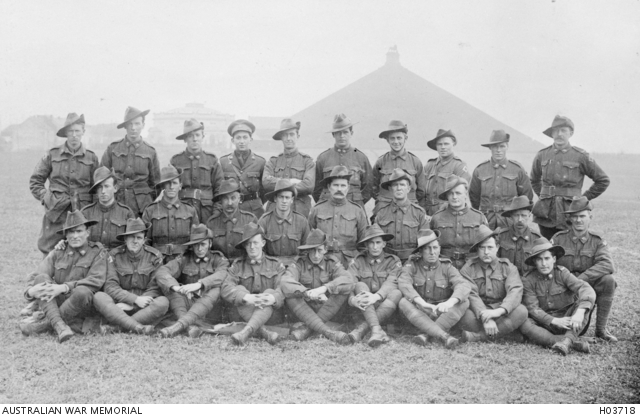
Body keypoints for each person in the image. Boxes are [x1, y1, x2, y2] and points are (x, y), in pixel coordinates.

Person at [20, 211, 107, 343]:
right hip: (59, 301)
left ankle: (46, 325)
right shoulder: (58, 251)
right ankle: (60, 326)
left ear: (87, 232)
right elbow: (37, 275)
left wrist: (64, 287)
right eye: (71, 232)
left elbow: (96, 280)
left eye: (79, 231)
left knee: (83, 291)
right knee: (41, 278)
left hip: (82, 303)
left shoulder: (98, 252)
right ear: (66, 235)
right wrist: (30, 291)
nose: (75, 236)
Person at [30, 113, 99, 255]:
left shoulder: (91, 157)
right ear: (66, 133)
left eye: (77, 131)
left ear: (83, 132)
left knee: (81, 251)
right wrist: (47, 198)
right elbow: (35, 181)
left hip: (82, 213)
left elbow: (96, 187)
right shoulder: (52, 155)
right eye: (70, 131)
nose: (74, 135)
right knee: (50, 251)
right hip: (56, 212)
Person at [530, 115, 610, 239]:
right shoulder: (542, 155)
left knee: (571, 248)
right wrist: (543, 196)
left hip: (570, 212)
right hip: (546, 213)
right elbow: (534, 180)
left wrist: (583, 199)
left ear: (570, 133)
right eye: (556, 131)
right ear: (552, 134)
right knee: (547, 249)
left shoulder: (580, 156)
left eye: (563, 130)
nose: (559, 134)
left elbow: (603, 180)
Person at [550, 196, 617, 342]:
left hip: (587, 287)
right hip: (564, 288)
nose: (579, 220)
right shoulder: (558, 239)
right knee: (575, 329)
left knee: (608, 281)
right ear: (570, 219)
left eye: (582, 216)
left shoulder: (597, 240)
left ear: (590, 217)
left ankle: (601, 329)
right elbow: (548, 265)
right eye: (575, 217)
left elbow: (607, 265)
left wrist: (580, 280)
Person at [520, 238, 595, 355]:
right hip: (545, 324)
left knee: (585, 303)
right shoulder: (528, 279)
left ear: (554, 259)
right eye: (539, 259)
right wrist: (554, 320)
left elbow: (585, 288)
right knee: (524, 323)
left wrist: (579, 312)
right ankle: (570, 342)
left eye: (547, 258)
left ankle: (567, 339)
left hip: (570, 322)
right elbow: (533, 308)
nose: (544, 264)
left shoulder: (562, 273)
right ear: (535, 262)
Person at [93, 218, 168, 335]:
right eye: (131, 237)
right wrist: (133, 300)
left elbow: (155, 287)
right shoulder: (114, 255)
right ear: (125, 239)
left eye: (139, 238)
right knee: (99, 296)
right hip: (119, 305)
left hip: (144, 307)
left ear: (144, 240)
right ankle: (138, 327)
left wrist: (134, 305)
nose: (135, 241)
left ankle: (117, 327)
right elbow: (110, 286)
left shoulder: (155, 256)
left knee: (163, 302)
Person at [280, 229, 354, 344]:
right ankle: (328, 332)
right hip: (305, 310)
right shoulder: (299, 263)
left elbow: (349, 280)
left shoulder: (332, 263)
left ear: (325, 249)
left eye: (319, 250)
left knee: (343, 289)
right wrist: (306, 292)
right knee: (291, 294)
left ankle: (307, 329)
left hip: (327, 308)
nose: (316, 255)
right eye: (312, 250)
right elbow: (285, 281)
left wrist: (324, 289)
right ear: (308, 250)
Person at [398, 229, 469, 349]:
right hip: (420, 311)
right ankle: (444, 336)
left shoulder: (447, 266)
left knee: (465, 301)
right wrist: (423, 303)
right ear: (420, 251)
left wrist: (449, 303)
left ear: (440, 249)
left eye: (435, 248)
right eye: (427, 248)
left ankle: (426, 334)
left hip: (441, 312)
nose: (432, 252)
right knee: (403, 302)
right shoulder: (412, 265)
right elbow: (404, 283)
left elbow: (463, 285)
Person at [155, 224, 229, 338]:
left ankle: (179, 325)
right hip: (188, 303)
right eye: (196, 245)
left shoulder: (218, 259)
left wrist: (200, 284)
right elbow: (162, 271)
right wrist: (175, 287)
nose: (199, 249)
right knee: (171, 289)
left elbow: (222, 274)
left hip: (209, 308)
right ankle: (188, 326)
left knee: (216, 289)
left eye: (203, 244)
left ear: (210, 243)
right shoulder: (184, 258)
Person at [458, 225, 529, 342]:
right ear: (477, 249)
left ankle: (477, 337)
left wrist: (498, 311)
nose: (486, 252)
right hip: (477, 313)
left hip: (500, 312)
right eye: (482, 248)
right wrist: (485, 317)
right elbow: (471, 294)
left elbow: (515, 291)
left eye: (490, 247)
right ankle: (503, 334)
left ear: (497, 248)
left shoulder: (508, 267)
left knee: (521, 311)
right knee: (463, 313)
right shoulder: (468, 268)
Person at [220, 223, 286, 346]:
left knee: (270, 293)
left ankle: (247, 330)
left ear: (263, 243)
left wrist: (273, 298)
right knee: (239, 290)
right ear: (244, 246)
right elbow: (225, 288)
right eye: (248, 243)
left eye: (255, 242)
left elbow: (283, 288)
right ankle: (264, 332)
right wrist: (246, 298)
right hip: (243, 313)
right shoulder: (237, 265)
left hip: (270, 316)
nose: (252, 247)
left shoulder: (276, 265)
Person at [346, 224, 403, 347]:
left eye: (378, 242)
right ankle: (377, 330)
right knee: (360, 285)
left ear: (384, 244)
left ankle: (362, 330)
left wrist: (376, 296)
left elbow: (391, 282)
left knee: (396, 293)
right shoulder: (358, 261)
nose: (375, 246)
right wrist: (352, 300)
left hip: (385, 307)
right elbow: (349, 282)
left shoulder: (393, 261)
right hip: (363, 308)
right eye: (371, 243)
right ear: (366, 245)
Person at [101, 106, 161, 217]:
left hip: (141, 208)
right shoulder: (113, 148)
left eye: (137, 124)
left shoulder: (150, 152)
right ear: (125, 126)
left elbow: (156, 185)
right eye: (130, 124)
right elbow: (102, 178)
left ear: (143, 125)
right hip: (116, 204)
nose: (133, 128)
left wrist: (146, 202)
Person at [468, 130, 533, 229]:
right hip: (486, 220)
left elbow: (526, 196)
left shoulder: (517, 169)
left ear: (507, 147)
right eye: (495, 146)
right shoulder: (480, 170)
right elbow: (474, 197)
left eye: (502, 146)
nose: (498, 150)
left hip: (509, 220)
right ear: (490, 148)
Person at [308, 165, 368, 268]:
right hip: (323, 260)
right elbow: (308, 239)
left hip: (349, 262)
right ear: (328, 187)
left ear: (348, 188)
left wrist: (359, 263)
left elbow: (364, 243)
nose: (339, 189)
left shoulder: (357, 210)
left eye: (343, 186)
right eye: (335, 185)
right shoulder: (317, 210)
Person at [313, 114, 372, 208]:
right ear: (333, 134)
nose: (342, 136)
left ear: (351, 133)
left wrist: (356, 204)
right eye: (338, 133)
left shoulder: (361, 157)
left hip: (354, 209)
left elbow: (369, 188)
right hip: (328, 209)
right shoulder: (323, 158)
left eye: (345, 132)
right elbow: (316, 189)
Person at [430, 175, 488, 270]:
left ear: (465, 194)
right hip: (444, 266)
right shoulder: (437, 218)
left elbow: (487, 245)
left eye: (458, 193)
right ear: (447, 196)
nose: (454, 197)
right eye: (451, 193)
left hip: (472, 266)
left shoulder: (479, 217)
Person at [170, 119, 223, 223]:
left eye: (197, 135)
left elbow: (219, 189)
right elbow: (169, 189)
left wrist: (216, 213)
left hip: (207, 211)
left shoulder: (212, 160)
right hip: (182, 211)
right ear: (185, 139)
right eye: (190, 136)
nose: (194, 139)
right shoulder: (176, 161)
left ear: (203, 136)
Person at [142, 165, 199, 262]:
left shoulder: (190, 211)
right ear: (162, 186)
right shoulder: (150, 210)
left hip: (184, 261)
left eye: (174, 183)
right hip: (157, 261)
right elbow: (145, 242)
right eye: (167, 183)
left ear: (180, 186)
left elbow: (196, 240)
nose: (171, 187)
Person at [371, 120, 426, 217]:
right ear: (388, 140)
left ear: (405, 138)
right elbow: (373, 187)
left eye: (399, 138)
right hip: (385, 211)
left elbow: (421, 191)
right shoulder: (381, 162)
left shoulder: (415, 162)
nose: (396, 142)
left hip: (409, 211)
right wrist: (384, 200)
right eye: (392, 138)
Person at [373, 168, 429, 263]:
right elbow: (375, 241)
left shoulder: (419, 213)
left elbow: (426, 243)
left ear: (408, 188)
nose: (399, 188)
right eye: (395, 185)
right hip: (387, 262)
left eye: (402, 185)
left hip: (412, 261)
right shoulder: (381, 213)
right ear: (390, 189)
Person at [262, 118, 315, 217]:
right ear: (281, 138)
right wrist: (293, 181)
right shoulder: (273, 161)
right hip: (275, 211)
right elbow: (266, 182)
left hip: (300, 210)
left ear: (297, 136)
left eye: (291, 134)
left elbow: (308, 185)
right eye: (285, 135)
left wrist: (279, 184)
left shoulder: (307, 161)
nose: (288, 138)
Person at [219, 119, 266, 218]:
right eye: (238, 138)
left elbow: (264, 190)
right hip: (232, 209)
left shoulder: (260, 162)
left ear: (251, 139)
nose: (241, 141)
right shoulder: (223, 162)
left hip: (254, 210)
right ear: (233, 140)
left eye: (245, 137)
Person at [257, 179, 310, 266]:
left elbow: (306, 250)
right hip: (271, 268)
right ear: (275, 198)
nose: (284, 201)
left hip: (295, 267)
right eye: (281, 197)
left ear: (292, 199)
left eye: (287, 197)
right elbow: (260, 250)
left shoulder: (301, 221)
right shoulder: (264, 221)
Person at [81, 167, 136, 250]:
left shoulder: (126, 213)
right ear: (96, 190)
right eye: (99, 187)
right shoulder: (85, 213)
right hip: (92, 259)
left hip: (117, 259)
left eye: (106, 186)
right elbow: (77, 239)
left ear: (115, 188)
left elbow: (133, 241)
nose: (103, 191)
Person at [422, 129, 470, 216]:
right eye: (439, 144)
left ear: (453, 144)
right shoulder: (429, 166)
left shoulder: (459, 166)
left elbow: (462, 193)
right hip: (427, 213)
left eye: (446, 144)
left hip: (447, 214)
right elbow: (421, 190)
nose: (443, 147)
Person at [206, 179, 258, 260]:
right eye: (226, 198)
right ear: (220, 201)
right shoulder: (211, 223)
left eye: (233, 198)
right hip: (219, 267)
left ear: (239, 199)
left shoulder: (250, 220)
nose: (229, 203)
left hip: (243, 267)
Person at [496, 196, 541, 276]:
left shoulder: (537, 239)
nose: (520, 219)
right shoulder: (501, 236)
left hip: (528, 282)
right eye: (516, 215)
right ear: (511, 217)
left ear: (529, 216)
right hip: (506, 279)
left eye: (523, 215)